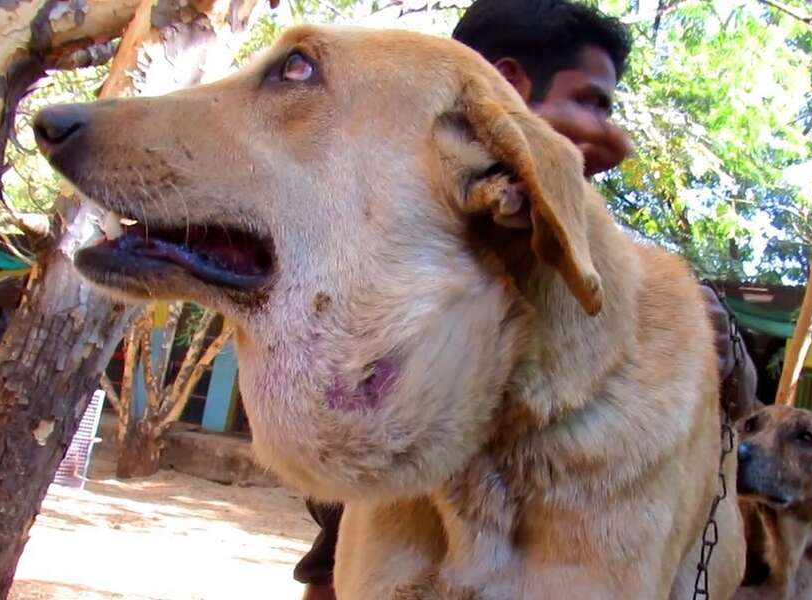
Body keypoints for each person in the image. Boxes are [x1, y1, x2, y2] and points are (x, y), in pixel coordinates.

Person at [295, 1, 757, 597]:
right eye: (591, 100)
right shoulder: (370, 222)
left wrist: (718, 340)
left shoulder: (626, 286)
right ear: (505, 86)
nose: (609, 132)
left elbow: (738, 400)